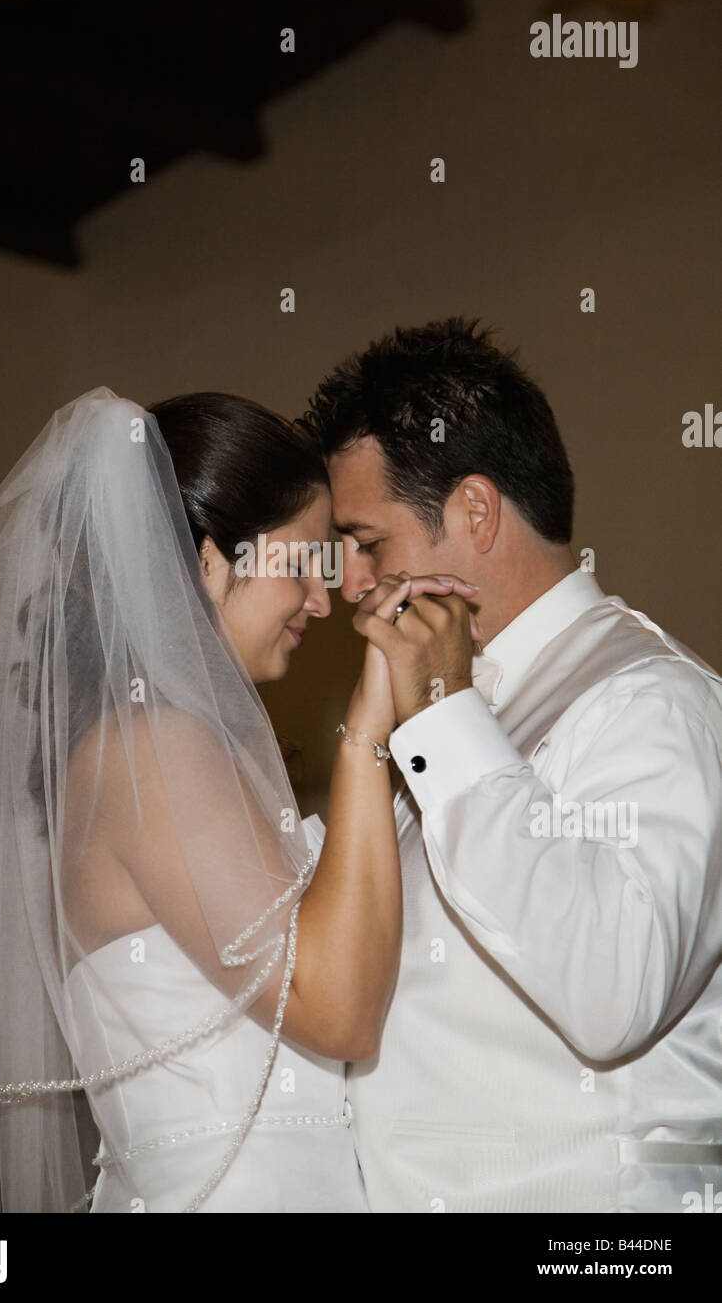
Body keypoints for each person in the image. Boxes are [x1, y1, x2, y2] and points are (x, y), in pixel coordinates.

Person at [0, 386, 465, 1214]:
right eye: (302, 562)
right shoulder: (152, 748)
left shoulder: (166, 747)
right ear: (207, 559)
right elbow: (340, 1013)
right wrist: (367, 734)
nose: (323, 599)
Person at [302, 316, 722, 1213]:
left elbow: (614, 990)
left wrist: (450, 716)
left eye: (369, 542)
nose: (347, 582)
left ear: (476, 512)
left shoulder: (655, 701)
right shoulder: (448, 707)